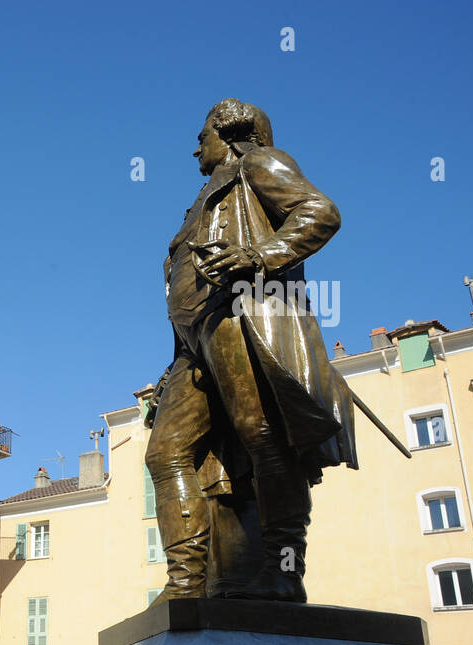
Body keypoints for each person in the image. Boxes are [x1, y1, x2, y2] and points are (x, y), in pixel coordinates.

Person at [146, 98, 357, 604]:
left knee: (262, 437)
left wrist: (259, 255)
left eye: (203, 134)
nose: (196, 145)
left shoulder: (257, 164)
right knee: (165, 452)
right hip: (195, 340)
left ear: (231, 133)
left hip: (238, 315)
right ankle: (186, 584)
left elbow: (320, 212)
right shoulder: (201, 199)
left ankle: (284, 572)